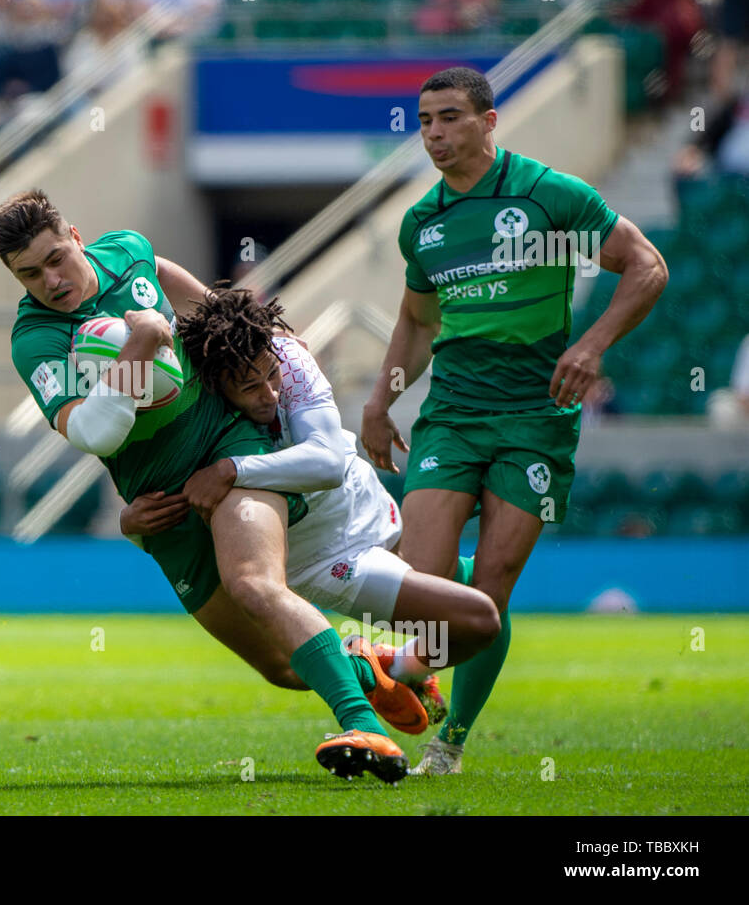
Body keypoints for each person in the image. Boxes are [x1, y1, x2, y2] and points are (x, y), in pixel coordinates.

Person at [0, 189, 417, 783]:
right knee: (280, 667)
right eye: (29, 273)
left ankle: (361, 724)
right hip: (163, 505)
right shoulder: (35, 339)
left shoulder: (128, 254)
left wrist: (252, 328)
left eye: (56, 257)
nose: (52, 281)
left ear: (76, 236)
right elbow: (95, 433)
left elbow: (177, 283)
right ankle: (375, 666)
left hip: (228, 447)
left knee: (253, 582)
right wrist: (140, 348)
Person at [360, 66, 667, 773]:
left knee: (486, 597)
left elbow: (646, 266)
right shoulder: (423, 223)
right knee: (423, 589)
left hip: (536, 415)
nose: (434, 134)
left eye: (450, 118)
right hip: (454, 414)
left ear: (489, 121)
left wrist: (591, 346)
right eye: (426, 121)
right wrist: (381, 403)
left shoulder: (545, 194)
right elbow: (415, 318)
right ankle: (412, 658)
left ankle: (449, 739)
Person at [120, 286, 502, 722]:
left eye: (271, 376)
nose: (271, 394)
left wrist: (231, 469)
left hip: (364, 503)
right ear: (215, 386)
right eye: (250, 387)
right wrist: (130, 524)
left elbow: (326, 461)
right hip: (328, 562)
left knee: (477, 598)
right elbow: (162, 506)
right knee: (477, 620)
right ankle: (395, 666)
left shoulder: (287, 355)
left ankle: (400, 668)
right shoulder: (190, 422)